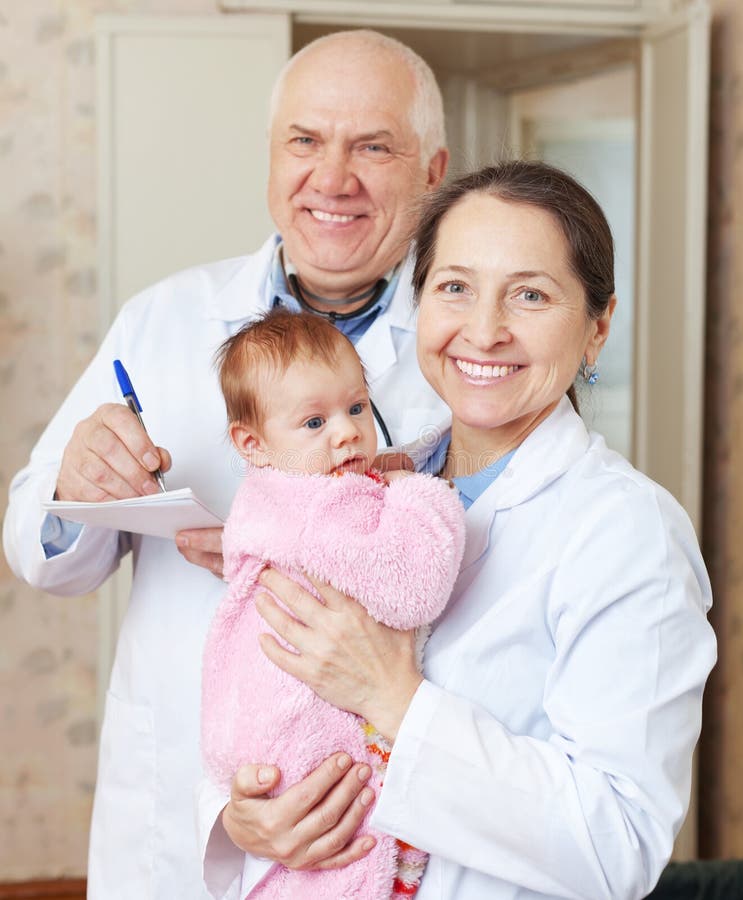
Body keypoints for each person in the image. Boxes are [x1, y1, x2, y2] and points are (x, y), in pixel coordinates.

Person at [2, 29, 449, 900]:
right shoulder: (164, 320)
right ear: (272, 157)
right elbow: (37, 547)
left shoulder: (460, 350)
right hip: (177, 825)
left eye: (372, 146)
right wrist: (71, 487)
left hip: (363, 822)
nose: (333, 179)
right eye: (305, 141)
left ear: (431, 170)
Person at [220, 161, 718, 900]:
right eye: (454, 287)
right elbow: (249, 687)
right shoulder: (352, 488)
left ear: (597, 327)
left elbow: (618, 844)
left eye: (530, 294)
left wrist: (394, 698)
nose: (483, 331)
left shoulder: (626, 532)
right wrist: (245, 820)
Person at [202, 309, 465, 900]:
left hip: (262, 745)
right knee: (343, 856)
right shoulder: (316, 508)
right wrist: (424, 497)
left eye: (356, 408)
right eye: (314, 421)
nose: (346, 432)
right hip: (307, 743)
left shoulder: (271, 496)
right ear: (253, 444)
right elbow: (414, 586)